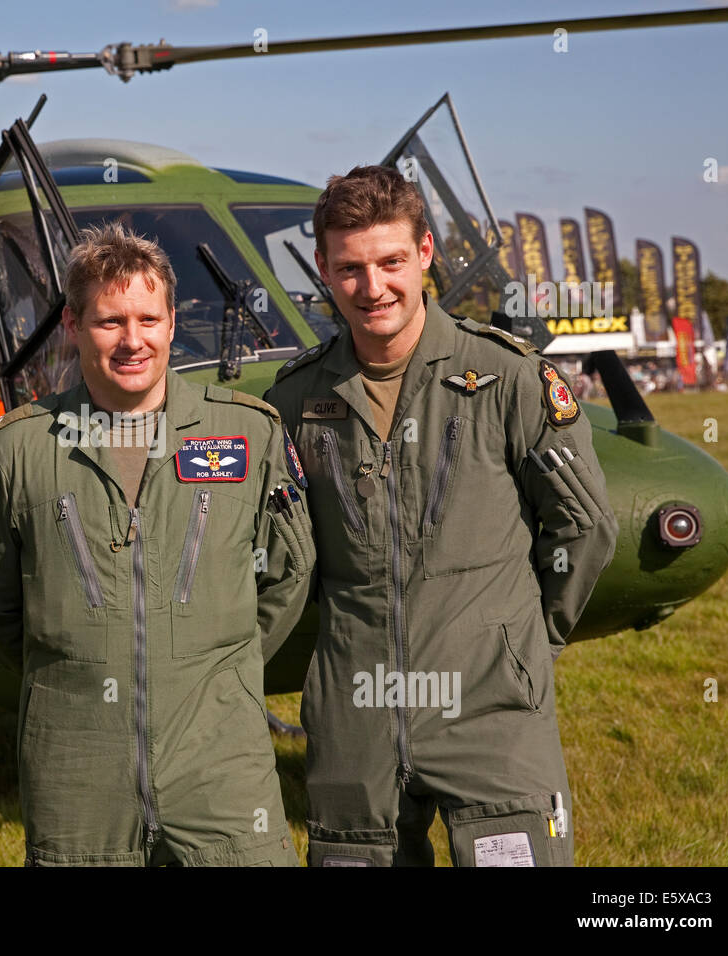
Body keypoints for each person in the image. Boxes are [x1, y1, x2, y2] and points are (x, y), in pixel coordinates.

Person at [264, 165, 618, 867]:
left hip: (489, 706)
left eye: (391, 262)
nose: (373, 288)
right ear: (325, 271)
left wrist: (522, 646)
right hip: (354, 709)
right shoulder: (298, 398)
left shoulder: (506, 377)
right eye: (351, 269)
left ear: (424, 252)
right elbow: (279, 552)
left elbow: (584, 526)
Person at [0, 223, 314, 866]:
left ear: (172, 321)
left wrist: (209, 663)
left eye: (148, 319)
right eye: (109, 322)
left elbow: (289, 574)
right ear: (71, 326)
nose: (133, 340)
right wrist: (81, 661)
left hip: (222, 770)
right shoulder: (18, 448)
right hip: (78, 777)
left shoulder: (245, 432)